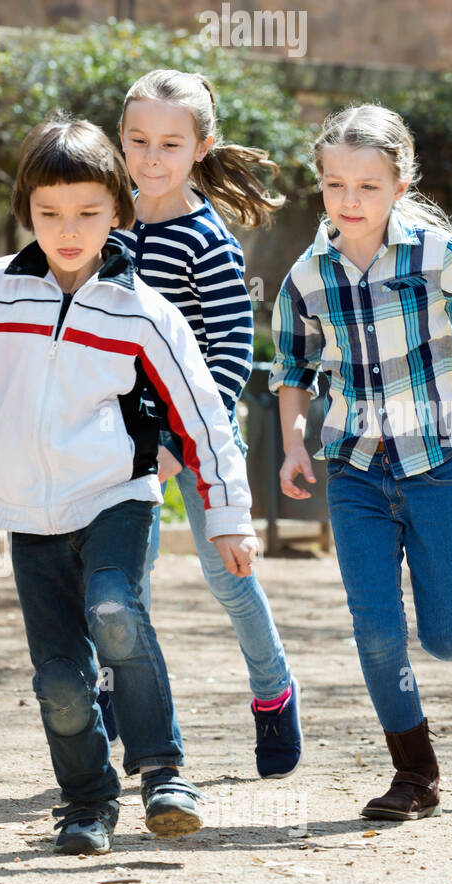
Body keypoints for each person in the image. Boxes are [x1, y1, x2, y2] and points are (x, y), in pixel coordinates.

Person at [0, 115, 256, 855]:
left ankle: (162, 770)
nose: (69, 230)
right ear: (26, 212)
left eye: (89, 213)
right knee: (61, 680)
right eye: (50, 214)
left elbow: (201, 415)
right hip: (31, 515)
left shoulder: (142, 313)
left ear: (119, 210)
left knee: (116, 612)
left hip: (116, 496)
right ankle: (88, 800)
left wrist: (227, 513)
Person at [272, 104, 452, 820]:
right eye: (335, 186)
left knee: (441, 631)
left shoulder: (431, 253)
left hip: (433, 467)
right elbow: (291, 367)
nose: (350, 201)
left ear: (400, 184)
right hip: (355, 469)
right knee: (374, 627)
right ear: (321, 186)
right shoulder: (307, 276)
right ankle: (414, 773)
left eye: (367, 186)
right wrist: (296, 441)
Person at [107, 68, 302, 779]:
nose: (151, 159)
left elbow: (230, 354)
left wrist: (178, 441)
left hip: (203, 431)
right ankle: (116, 707)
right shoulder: (107, 221)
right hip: (122, 434)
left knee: (228, 577)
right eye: (137, 141)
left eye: (169, 144)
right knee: (123, 579)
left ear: (200, 147)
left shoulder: (206, 240)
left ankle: (274, 691)